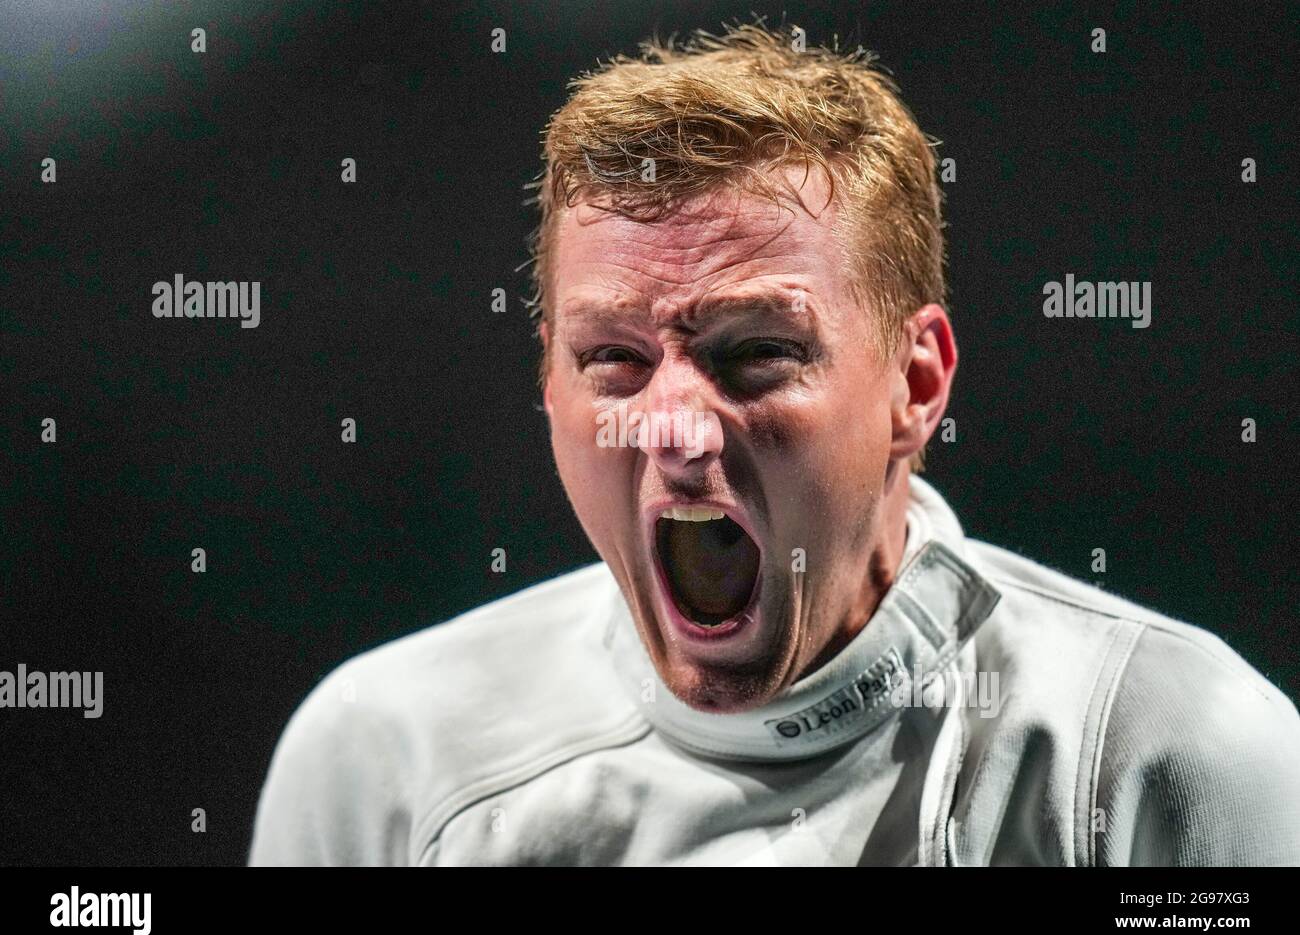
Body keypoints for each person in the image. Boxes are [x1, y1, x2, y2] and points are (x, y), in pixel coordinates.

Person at [249, 23, 1300, 866]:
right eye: (612, 357)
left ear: (915, 382)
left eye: (755, 351)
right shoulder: (383, 756)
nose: (672, 425)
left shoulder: (1166, 750)